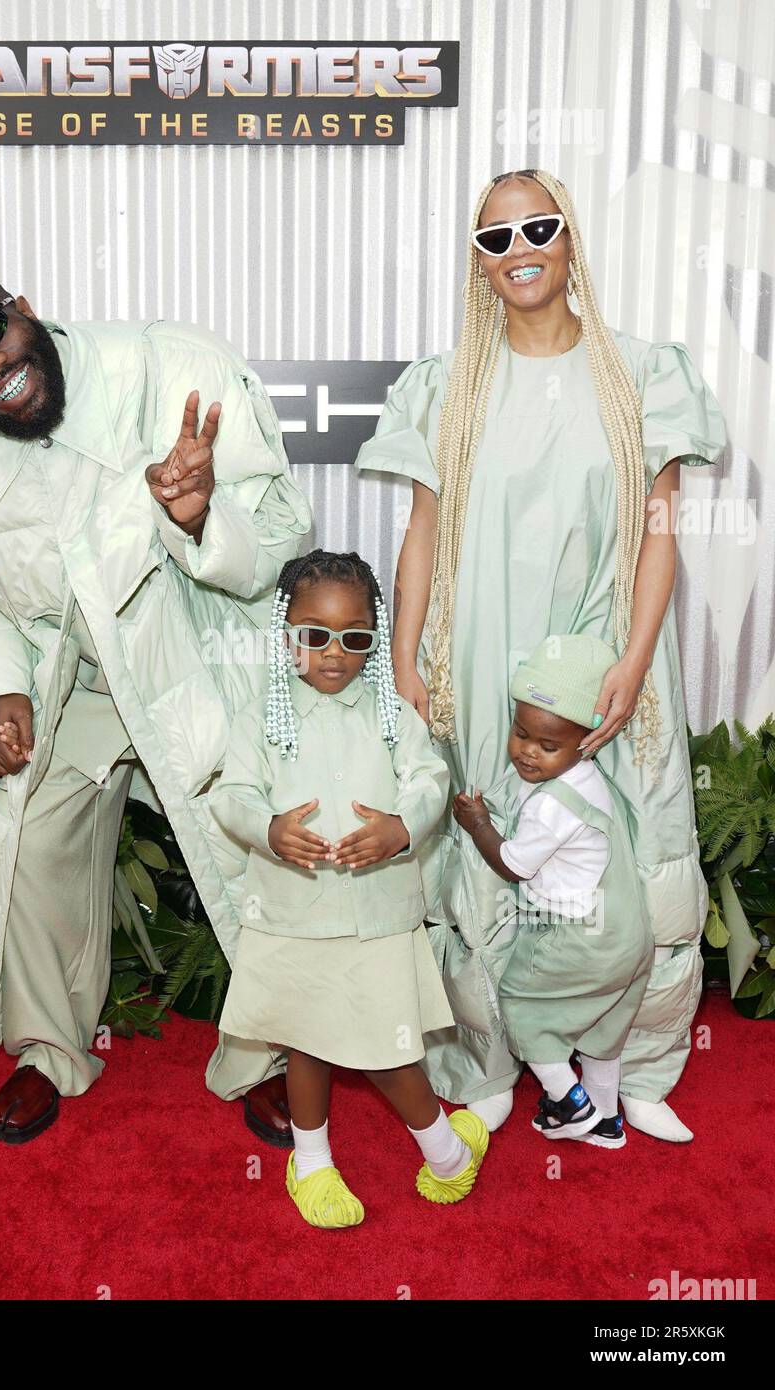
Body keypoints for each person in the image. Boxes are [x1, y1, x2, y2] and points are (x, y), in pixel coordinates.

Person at [0, 244, 313, 1144]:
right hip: (65, 680)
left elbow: (282, 539)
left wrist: (199, 517)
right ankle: (47, 1050)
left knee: (247, 849)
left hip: (199, 653)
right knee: (31, 847)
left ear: (22, 306)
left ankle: (271, 1052)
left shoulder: (172, 368)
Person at [354, 168, 726, 1142]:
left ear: (568, 241)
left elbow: (657, 527)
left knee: (636, 855)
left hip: (606, 660)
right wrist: (403, 658)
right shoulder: (446, 386)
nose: (518, 249)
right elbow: (423, 529)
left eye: (537, 227)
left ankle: (636, 1069)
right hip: (479, 662)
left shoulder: (640, 373)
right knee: (485, 854)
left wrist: (634, 660)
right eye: (495, 238)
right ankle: (483, 1064)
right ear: (477, 265)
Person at [210, 550, 488, 1228]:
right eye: (314, 634)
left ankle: (447, 1151)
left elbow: (430, 780)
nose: (334, 652)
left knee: (390, 1044)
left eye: (355, 637)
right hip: (293, 911)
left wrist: (402, 827)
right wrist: (269, 828)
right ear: (286, 633)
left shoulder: (392, 714)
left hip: (375, 913)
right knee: (305, 1039)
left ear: (375, 636)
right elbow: (230, 795)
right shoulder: (259, 717)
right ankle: (311, 1163)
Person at [453, 635, 653, 1150]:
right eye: (520, 734)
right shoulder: (592, 780)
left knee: (524, 1009)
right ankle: (607, 1121)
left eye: (547, 746)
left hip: (578, 935)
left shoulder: (549, 806)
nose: (527, 753)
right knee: (605, 1026)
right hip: (628, 936)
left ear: (587, 740)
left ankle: (570, 1102)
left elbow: (515, 865)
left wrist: (478, 825)